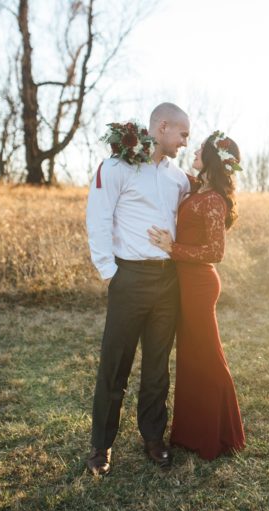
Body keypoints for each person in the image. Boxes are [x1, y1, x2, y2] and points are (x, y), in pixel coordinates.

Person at [84, 102, 190, 476]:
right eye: (182, 135)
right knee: (115, 364)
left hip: (168, 281)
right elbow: (97, 217)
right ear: (162, 127)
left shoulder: (179, 178)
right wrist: (109, 272)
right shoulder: (117, 167)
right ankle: (101, 445)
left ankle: (153, 438)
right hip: (128, 277)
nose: (184, 143)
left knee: (158, 366)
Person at [148, 130, 246, 460]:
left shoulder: (215, 200)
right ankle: (191, 433)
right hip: (184, 283)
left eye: (200, 151)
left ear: (212, 160)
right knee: (190, 357)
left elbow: (215, 251)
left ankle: (223, 434)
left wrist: (171, 248)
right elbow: (166, 172)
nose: (193, 152)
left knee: (208, 356)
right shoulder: (196, 187)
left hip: (200, 285)